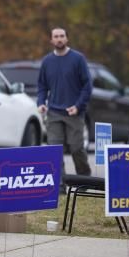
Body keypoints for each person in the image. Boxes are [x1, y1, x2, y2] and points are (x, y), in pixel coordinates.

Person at [37, 27, 92, 177]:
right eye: (56, 36)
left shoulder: (78, 59)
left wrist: (78, 106)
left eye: (62, 36)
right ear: (51, 40)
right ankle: (60, 185)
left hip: (74, 112)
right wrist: (41, 102)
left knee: (76, 149)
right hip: (54, 112)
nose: (59, 39)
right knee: (55, 151)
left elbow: (87, 86)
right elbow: (42, 85)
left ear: (67, 39)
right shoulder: (47, 61)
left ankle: (84, 180)